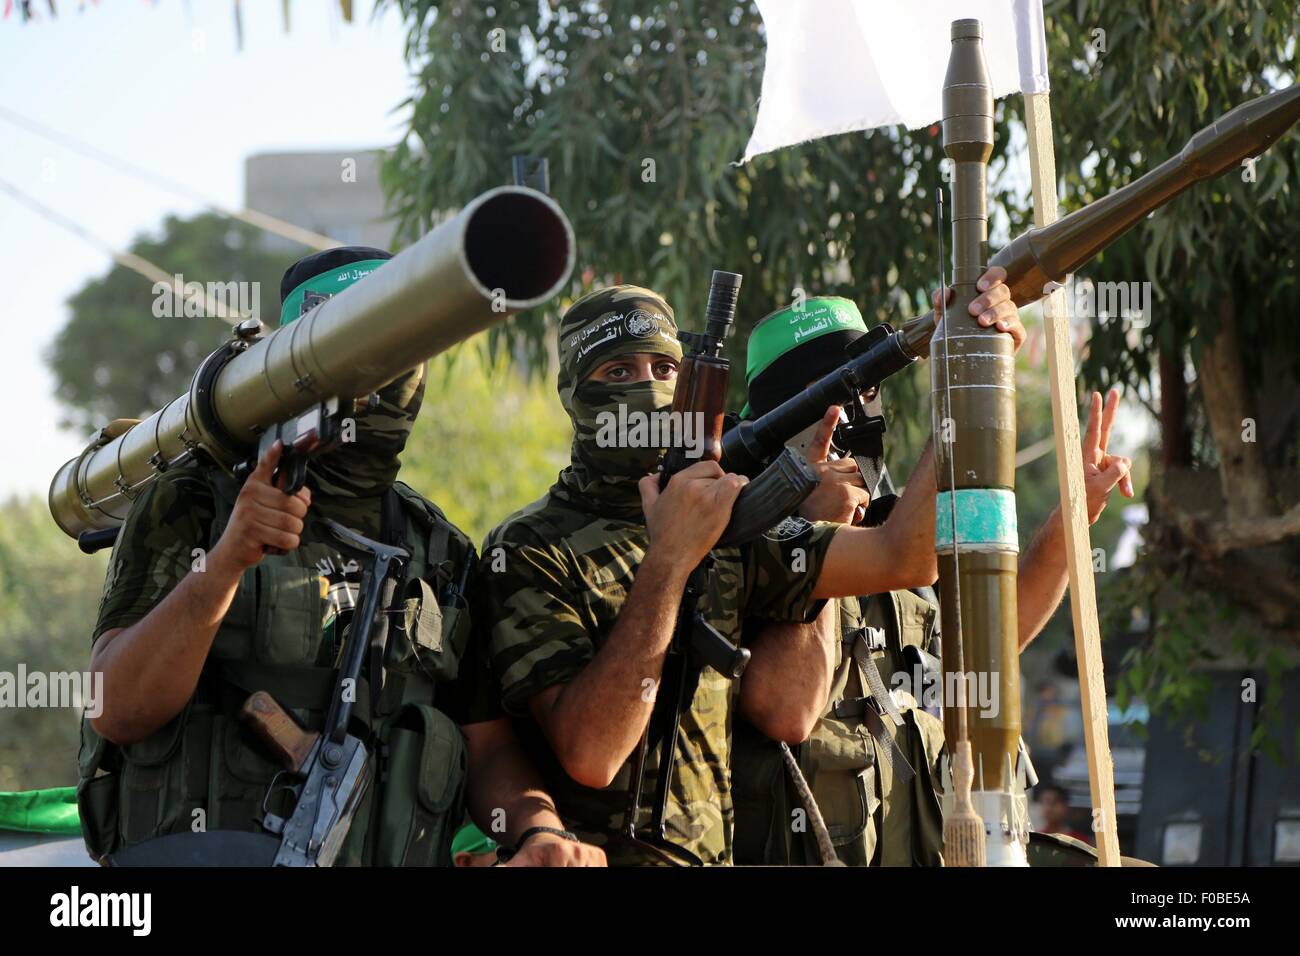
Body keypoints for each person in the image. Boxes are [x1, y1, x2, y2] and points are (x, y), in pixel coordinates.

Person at [78, 246, 604, 867]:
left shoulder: (440, 550)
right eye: (363, 345)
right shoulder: (196, 498)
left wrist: (539, 831)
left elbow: (485, 746)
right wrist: (225, 563)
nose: (383, 372)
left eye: (403, 348)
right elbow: (114, 707)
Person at [478, 275, 1021, 865]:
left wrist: (967, 374)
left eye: (663, 370)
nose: (647, 389)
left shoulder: (730, 514)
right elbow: (592, 752)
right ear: (574, 394)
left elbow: (903, 555)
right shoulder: (531, 545)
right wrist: (671, 557)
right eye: (618, 372)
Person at [731, 292, 1133, 866]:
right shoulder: (743, 531)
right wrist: (815, 530)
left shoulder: (900, 520)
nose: (853, 416)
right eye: (828, 396)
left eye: (866, 391)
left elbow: (993, 641)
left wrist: (1073, 515)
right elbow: (788, 710)